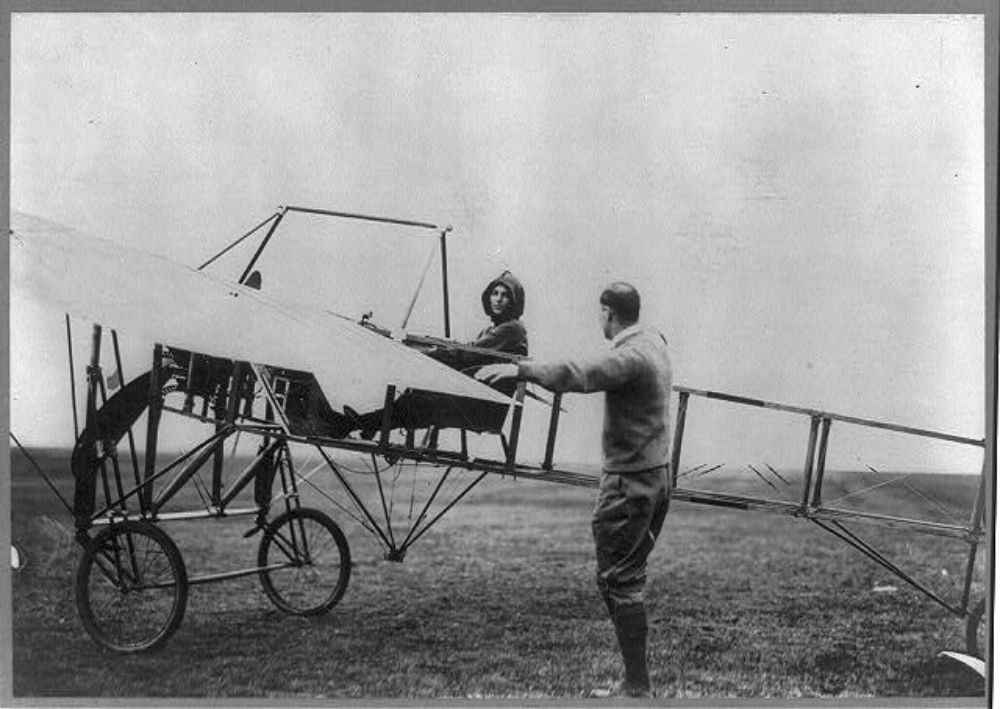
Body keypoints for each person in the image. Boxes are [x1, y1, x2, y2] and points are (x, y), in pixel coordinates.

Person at [477, 281, 672, 698]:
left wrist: (521, 369)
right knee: (619, 579)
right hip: (653, 477)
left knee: (619, 581)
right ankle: (637, 684)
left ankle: (637, 688)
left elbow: (582, 373)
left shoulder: (632, 355)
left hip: (630, 483)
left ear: (607, 312)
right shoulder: (654, 342)